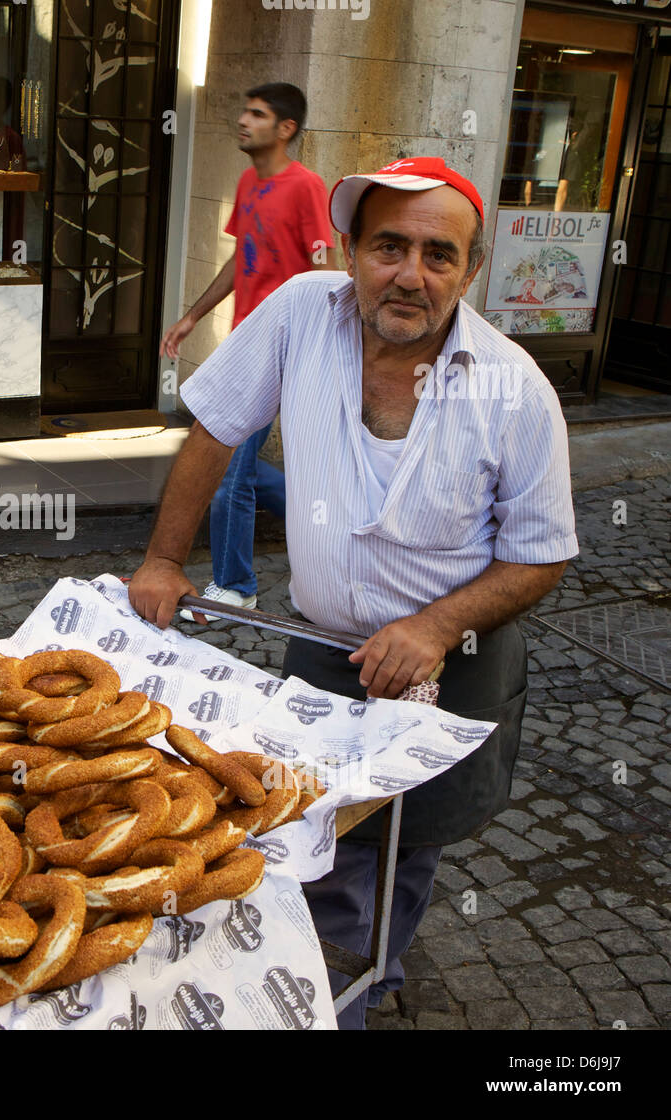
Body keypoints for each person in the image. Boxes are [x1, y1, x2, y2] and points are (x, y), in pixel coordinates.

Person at [130, 156, 579, 1028]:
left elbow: (542, 556)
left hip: (453, 659)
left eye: (439, 255)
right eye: (389, 246)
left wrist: (438, 625)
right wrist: (160, 560)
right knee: (294, 826)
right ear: (349, 249)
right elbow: (216, 428)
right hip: (324, 642)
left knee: (404, 843)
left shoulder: (515, 389)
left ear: (470, 269)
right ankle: (315, 968)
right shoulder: (302, 313)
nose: (411, 274)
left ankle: (360, 982)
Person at [160, 82, 335, 615]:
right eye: (244, 109)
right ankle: (329, 520)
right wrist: (193, 315)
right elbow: (242, 261)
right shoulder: (249, 181)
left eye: (256, 114)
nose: (243, 120)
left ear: (285, 129)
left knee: (227, 472)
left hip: (284, 350)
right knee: (246, 467)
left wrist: (322, 346)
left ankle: (236, 586)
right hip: (246, 346)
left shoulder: (306, 187)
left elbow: (325, 267)